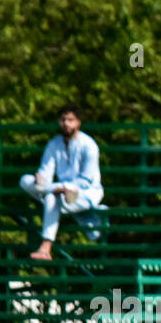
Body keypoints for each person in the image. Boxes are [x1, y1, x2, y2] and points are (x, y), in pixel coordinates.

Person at [18, 104, 104, 260]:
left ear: (78, 122)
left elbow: (86, 181)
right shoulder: (54, 144)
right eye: (63, 119)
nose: (66, 123)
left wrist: (60, 187)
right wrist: (41, 179)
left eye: (70, 120)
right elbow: (46, 171)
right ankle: (56, 195)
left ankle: (45, 248)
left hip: (85, 193)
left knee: (51, 197)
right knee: (25, 180)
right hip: (59, 192)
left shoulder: (89, 145)